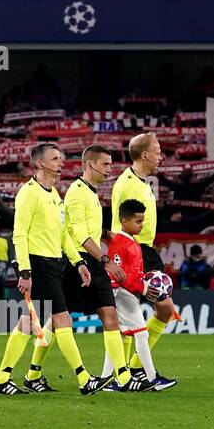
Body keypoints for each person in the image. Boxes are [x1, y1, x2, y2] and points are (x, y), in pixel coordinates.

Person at [0, 142, 109, 396]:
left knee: (27, 322)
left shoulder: (54, 194)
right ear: (40, 163)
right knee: (61, 319)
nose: (62, 162)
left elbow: (64, 234)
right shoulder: (28, 193)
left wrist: (78, 263)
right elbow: (19, 234)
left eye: (62, 158)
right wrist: (24, 271)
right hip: (38, 264)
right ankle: (84, 378)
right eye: (56, 158)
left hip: (55, 264)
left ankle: (1, 378)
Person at [63, 146, 155, 392]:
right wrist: (106, 260)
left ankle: (123, 378)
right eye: (105, 164)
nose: (109, 169)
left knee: (110, 316)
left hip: (94, 261)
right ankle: (32, 372)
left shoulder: (91, 192)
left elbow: (90, 230)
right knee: (54, 321)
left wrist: (110, 237)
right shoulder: (76, 193)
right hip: (78, 261)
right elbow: (80, 235)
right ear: (90, 165)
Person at [109, 132, 177, 387]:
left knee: (159, 310)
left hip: (145, 250)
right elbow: (121, 225)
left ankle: (134, 370)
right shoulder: (127, 184)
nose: (161, 155)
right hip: (132, 251)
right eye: (157, 150)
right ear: (145, 154)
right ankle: (125, 374)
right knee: (133, 314)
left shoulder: (142, 181)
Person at [106, 200, 176, 391]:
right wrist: (144, 288)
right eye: (138, 221)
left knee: (119, 335)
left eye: (142, 221)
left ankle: (106, 379)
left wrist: (143, 282)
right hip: (120, 294)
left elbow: (134, 274)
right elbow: (120, 276)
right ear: (123, 221)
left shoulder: (132, 242)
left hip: (128, 293)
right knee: (140, 334)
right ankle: (152, 379)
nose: (141, 225)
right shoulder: (119, 244)